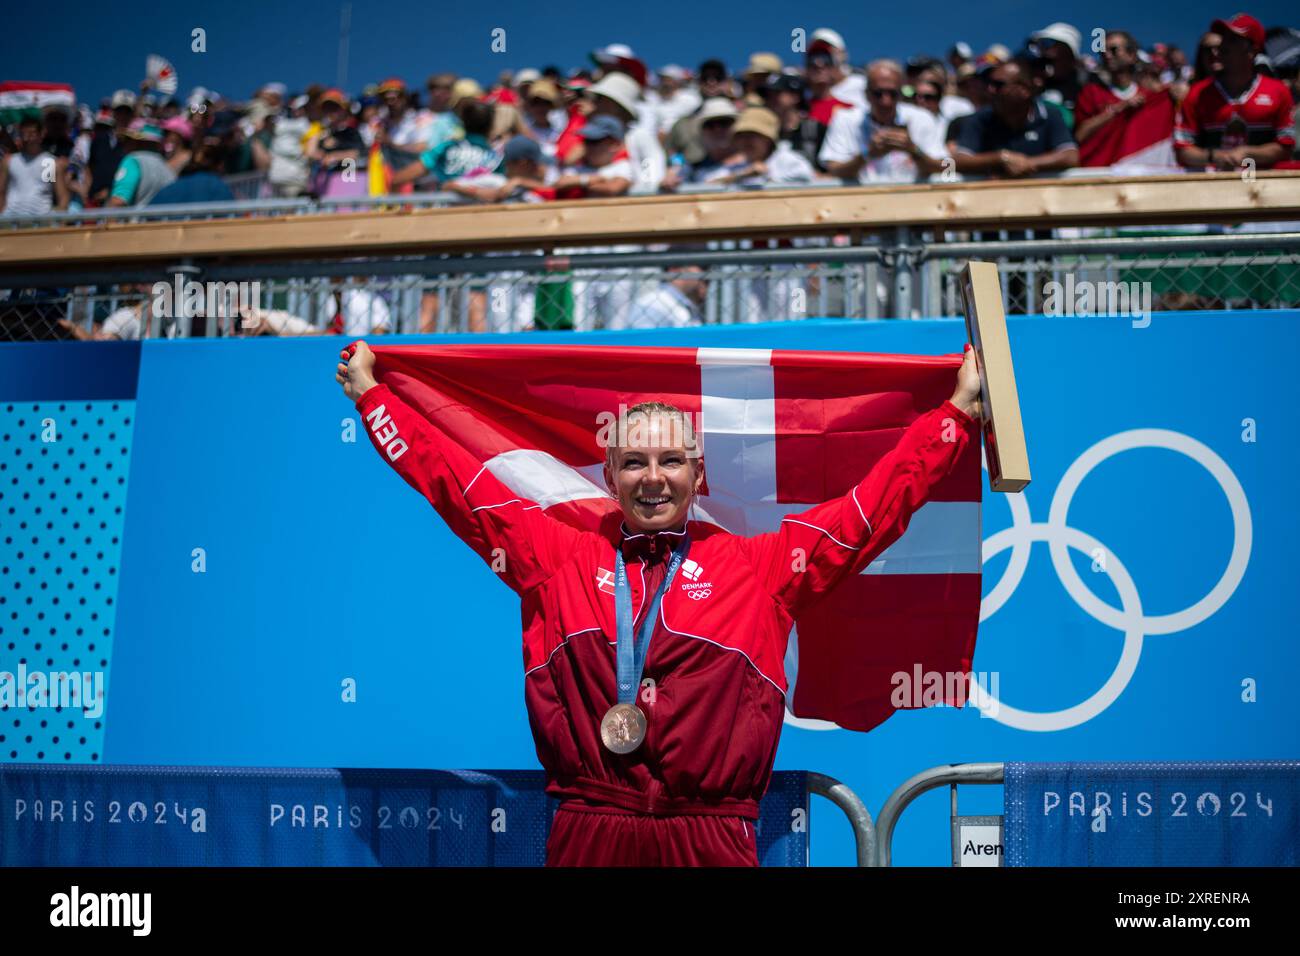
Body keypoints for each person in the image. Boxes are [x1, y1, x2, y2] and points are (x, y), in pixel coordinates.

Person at [334, 340, 984, 866]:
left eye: (672, 459)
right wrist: (373, 398)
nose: (653, 477)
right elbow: (450, 481)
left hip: (715, 836)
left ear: (699, 475)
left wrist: (952, 419)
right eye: (635, 461)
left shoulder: (760, 569)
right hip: (591, 829)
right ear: (609, 474)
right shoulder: (555, 555)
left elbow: (869, 513)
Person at [1175, 13, 1296, 171]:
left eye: (1233, 40)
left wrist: (1248, 153)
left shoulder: (1278, 91)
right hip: (1212, 188)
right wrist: (1217, 156)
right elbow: (1182, 150)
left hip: (1263, 187)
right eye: (1223, 38)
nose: (1222, 46)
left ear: (1252, 50)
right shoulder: (1198, 93)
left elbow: (1286, 145)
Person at [819, 60, 948, 183]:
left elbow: (947, 168)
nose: (886, 101)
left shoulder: (922, 118)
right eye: (878, 93)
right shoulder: (845, 119)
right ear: (866, 94)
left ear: (901, 94)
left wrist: (914, 151)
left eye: (892, 93)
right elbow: (833, 169)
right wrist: (866, 155)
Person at [952, 57, 1079, 177]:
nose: (990, 89)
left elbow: (1070, 156)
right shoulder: (979, 118)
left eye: (998, 85)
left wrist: (1028, 163)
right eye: (988, 83)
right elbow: (959, 160)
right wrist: (1000, 158)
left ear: (1024, 90)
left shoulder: (1050, 115)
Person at [0, 116, 67, 216]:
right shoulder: (9, 161)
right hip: (11, 220)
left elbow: (62, 197)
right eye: (24, 134)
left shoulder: (49, 162)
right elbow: (1, 191)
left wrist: (56, 222)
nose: (27, 138)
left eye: (32, 134)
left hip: (41, 221)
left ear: (41, 135)